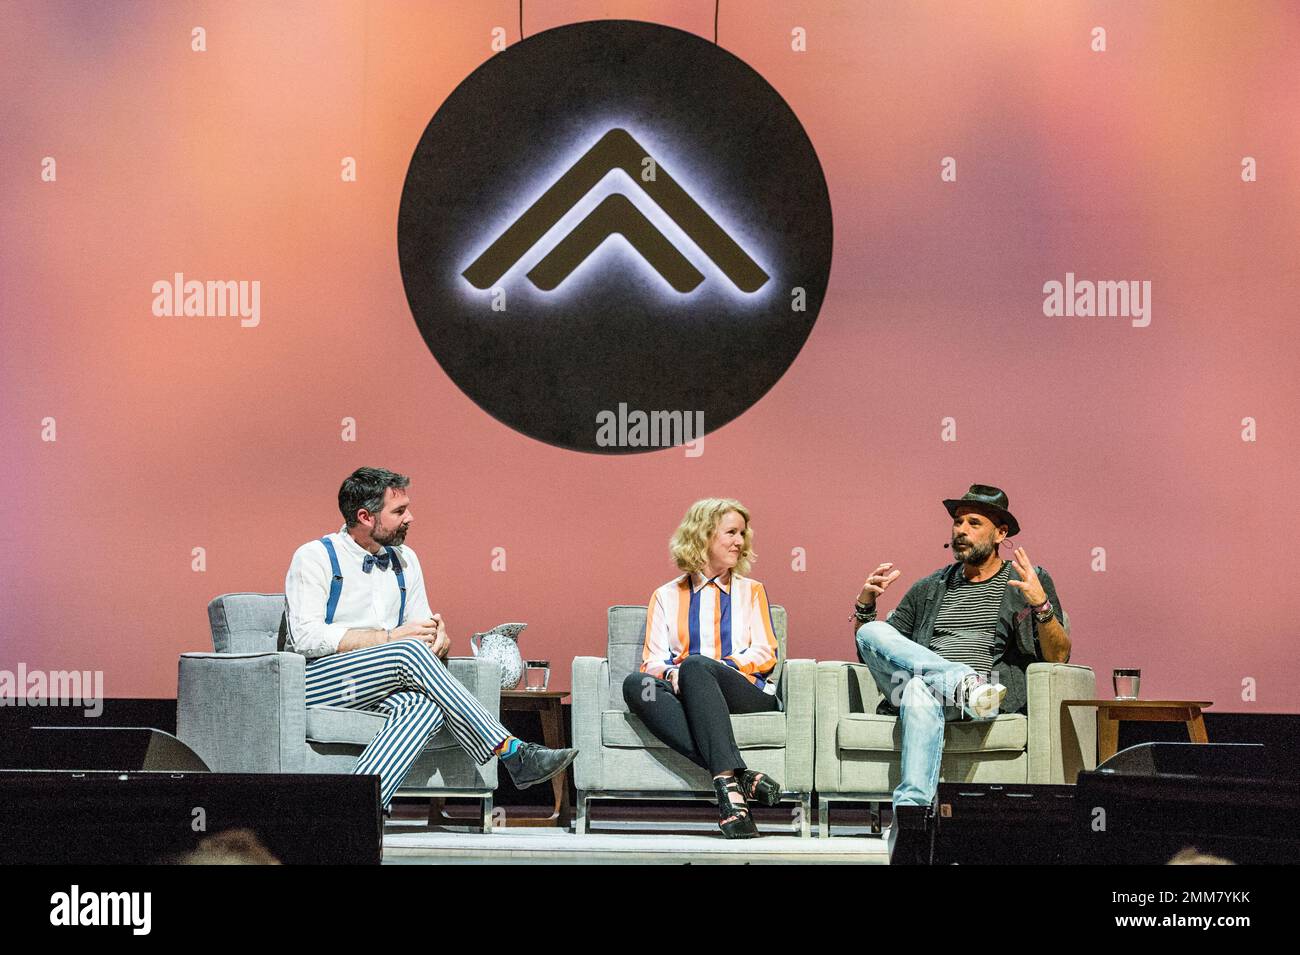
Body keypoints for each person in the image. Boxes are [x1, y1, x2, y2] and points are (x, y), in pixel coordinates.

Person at [284, 467, 576, 815]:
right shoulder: (314, 557)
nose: (410, 517)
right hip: (318, 682)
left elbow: (418, 630)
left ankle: (355, 810)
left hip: (381, 684)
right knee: (406, 650)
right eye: (399, 511)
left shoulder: (406, 560)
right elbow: (305, 638)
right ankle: (511, 751)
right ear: (364, 516)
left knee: (424, 708)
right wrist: (392, 638)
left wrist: (438, 638)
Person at [850, 484, 1071, 854]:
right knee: (874, 631)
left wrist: (1042, 606)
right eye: (956, 522)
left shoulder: (1025, 583)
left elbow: (1059, 656)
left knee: (919, 689)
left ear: (1001, 534)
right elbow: (874, 650)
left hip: (988, 693)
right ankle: (960, 682)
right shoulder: (930, 587)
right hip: (944, 685)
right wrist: (865, 606)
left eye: (973, 522)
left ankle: (911, 825)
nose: (960, 530)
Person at [623, 498, 783, 839]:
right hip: (687, 691)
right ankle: (738, 781)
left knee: (696, 665)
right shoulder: (666, 596)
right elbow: (652, 661)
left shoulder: (752, 592)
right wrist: (672, 675)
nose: (740, 541)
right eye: (731, 532)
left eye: (743, 533)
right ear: (703, 536)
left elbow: (766, 652)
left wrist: (711, 669)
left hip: (746, 691)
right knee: (636, 685)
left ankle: (730, 790)